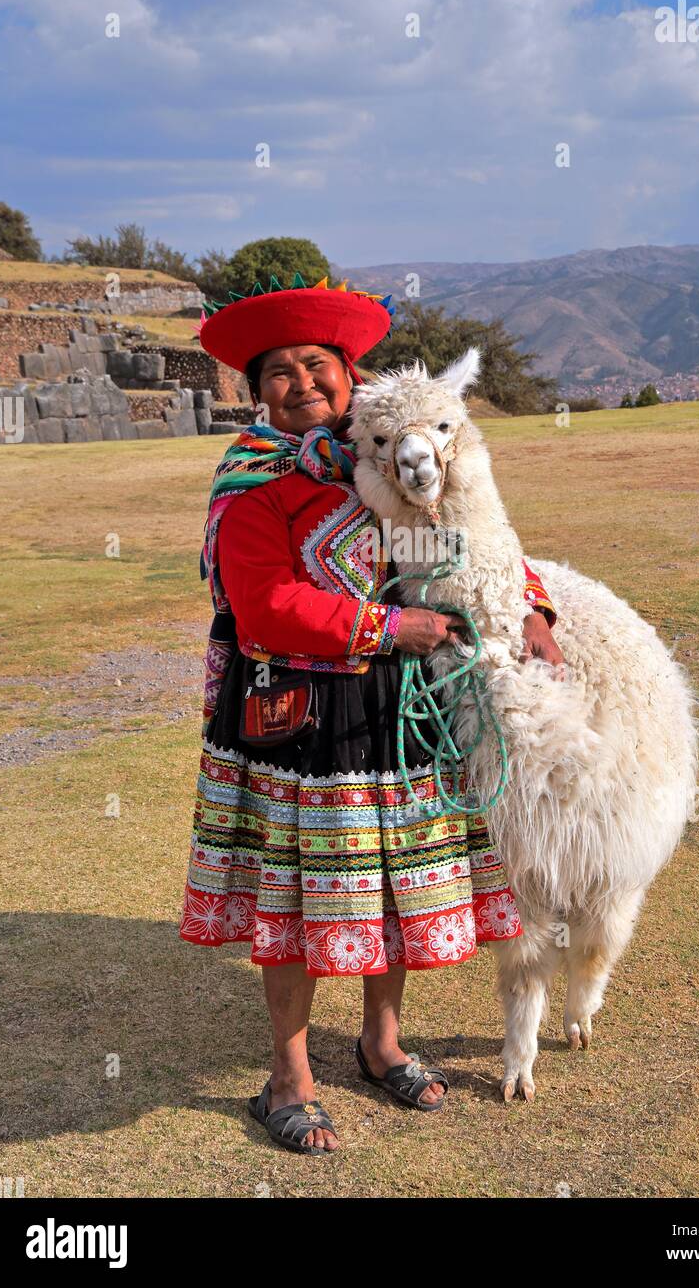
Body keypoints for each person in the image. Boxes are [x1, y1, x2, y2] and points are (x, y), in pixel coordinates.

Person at [179, 277, 562, 1155]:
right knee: (302, 896)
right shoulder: (255, 482)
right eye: (278, 372)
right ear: (254, 390)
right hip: (294, 718)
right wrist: (393, 625)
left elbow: (472, 536)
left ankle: (380, 1042)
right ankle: (288, 1077)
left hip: (397, 711)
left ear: (350, 377)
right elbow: (264, 602)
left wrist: (532, 609)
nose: (302, 383)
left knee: (385, 882)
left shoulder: (385, 456)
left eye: (318, 365)